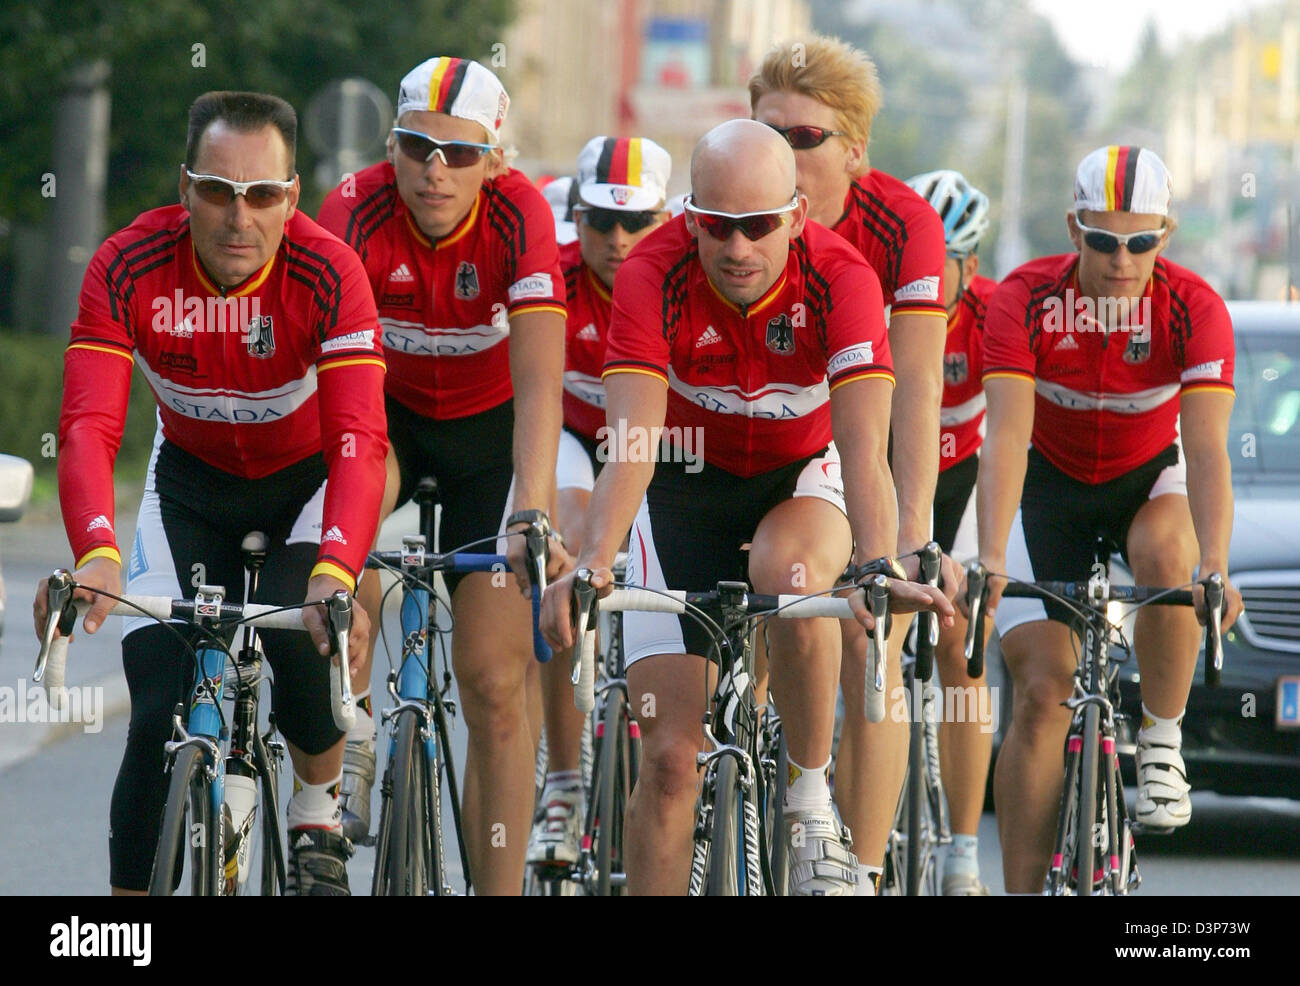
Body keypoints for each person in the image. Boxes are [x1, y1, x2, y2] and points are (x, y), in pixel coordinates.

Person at [540, 119, 952, 896]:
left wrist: (876, 561)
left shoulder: (845, 277)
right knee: (668, 760)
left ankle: (807, 803)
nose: (737, 248)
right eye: (717, 227)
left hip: (800, 477)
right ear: (689, 217)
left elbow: (866, 450)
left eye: (759, 226)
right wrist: (595, 562)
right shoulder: (653, 272)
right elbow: (630, 437)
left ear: (797, 216)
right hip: (682, 483)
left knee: (790, 572)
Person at [38, 91, 388, 895]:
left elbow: (359, 442)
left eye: (262, 195)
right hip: (188, 487)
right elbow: (90, 424)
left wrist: (337, 571)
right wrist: (96, 550)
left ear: (292, 198)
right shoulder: (128, 263)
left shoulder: (330, 270)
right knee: (155, 710)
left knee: (305, 638)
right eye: (218, 192)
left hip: (305, 484)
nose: (240, 216)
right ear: (185, 186)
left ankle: (314, 807)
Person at [317, 56, 567, 894]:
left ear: (496, 161)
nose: (435, 169)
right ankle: (343, 738)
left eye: (460, 154)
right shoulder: (352, 208)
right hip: (382, 428)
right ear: (391, 145)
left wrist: (530, 506)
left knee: (496, 681)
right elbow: (330, 391)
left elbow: (540, 387)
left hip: (485, 444)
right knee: (337, 547)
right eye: (418, 146)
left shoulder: (521, 214)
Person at [977, 145, 1243, 893]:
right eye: (1102, 239)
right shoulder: (1025, 298)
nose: (1121, 259)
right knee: (1040, 692)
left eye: (1140, 241)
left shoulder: (1193, 306)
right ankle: (1023, 887)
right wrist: (992, 557)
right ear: (1074, 228)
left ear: (1167, 234)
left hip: (1146, 480)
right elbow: (1003, 439)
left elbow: (1209, 450)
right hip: (1048, 486)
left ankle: (1160, 739)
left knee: (1168, 551)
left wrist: (1214, 564)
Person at [750, 35, 956, 892]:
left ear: (855, 150)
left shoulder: (903, 226)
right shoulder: (733, 203)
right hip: (747, 432)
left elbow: (912, 396)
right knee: (752, 629)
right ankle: (744, 789)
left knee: (871, 637)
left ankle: (862, 870)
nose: (785, 153)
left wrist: (909, 534)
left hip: (849, 444)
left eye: (807, 138)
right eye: (769, 132)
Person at [526, 136, 673, 869]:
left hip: (663, 447)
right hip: (580, 438)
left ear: (666, 221)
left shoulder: (686, 272)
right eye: (600, 222)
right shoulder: (552, 279)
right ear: (575, 217)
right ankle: (562, 783)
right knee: (573, 559)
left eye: (636, 223)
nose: (616, 241)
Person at [904, 168, 996, 895]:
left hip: (961, 481)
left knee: (959, 645)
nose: (929, 282)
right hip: (888, 477)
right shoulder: (880, 302)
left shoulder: (995, 315)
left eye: (946, 269)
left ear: (971, 266)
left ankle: (962, 846)